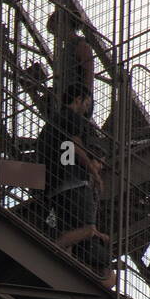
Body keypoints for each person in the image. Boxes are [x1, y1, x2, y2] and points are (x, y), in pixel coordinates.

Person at [36, 82, 114, 286]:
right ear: (78, 99)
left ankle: (63, 264)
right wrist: (93, 172)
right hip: (73, 183)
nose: (87, 108)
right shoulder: (71, 117)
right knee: (87, 228)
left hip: (55, 187)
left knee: (71, 232)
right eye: (86, 102)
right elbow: (75, 144)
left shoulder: (52, 124)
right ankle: (51, 252)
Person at [47, 9, 95, 104]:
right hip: (66, 97)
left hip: (76, 98)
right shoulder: (65, 50)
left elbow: (88, 75)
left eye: (55, 30)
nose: (56, 35)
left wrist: (84, 99)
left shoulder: (81, 46)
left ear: (65, 25)